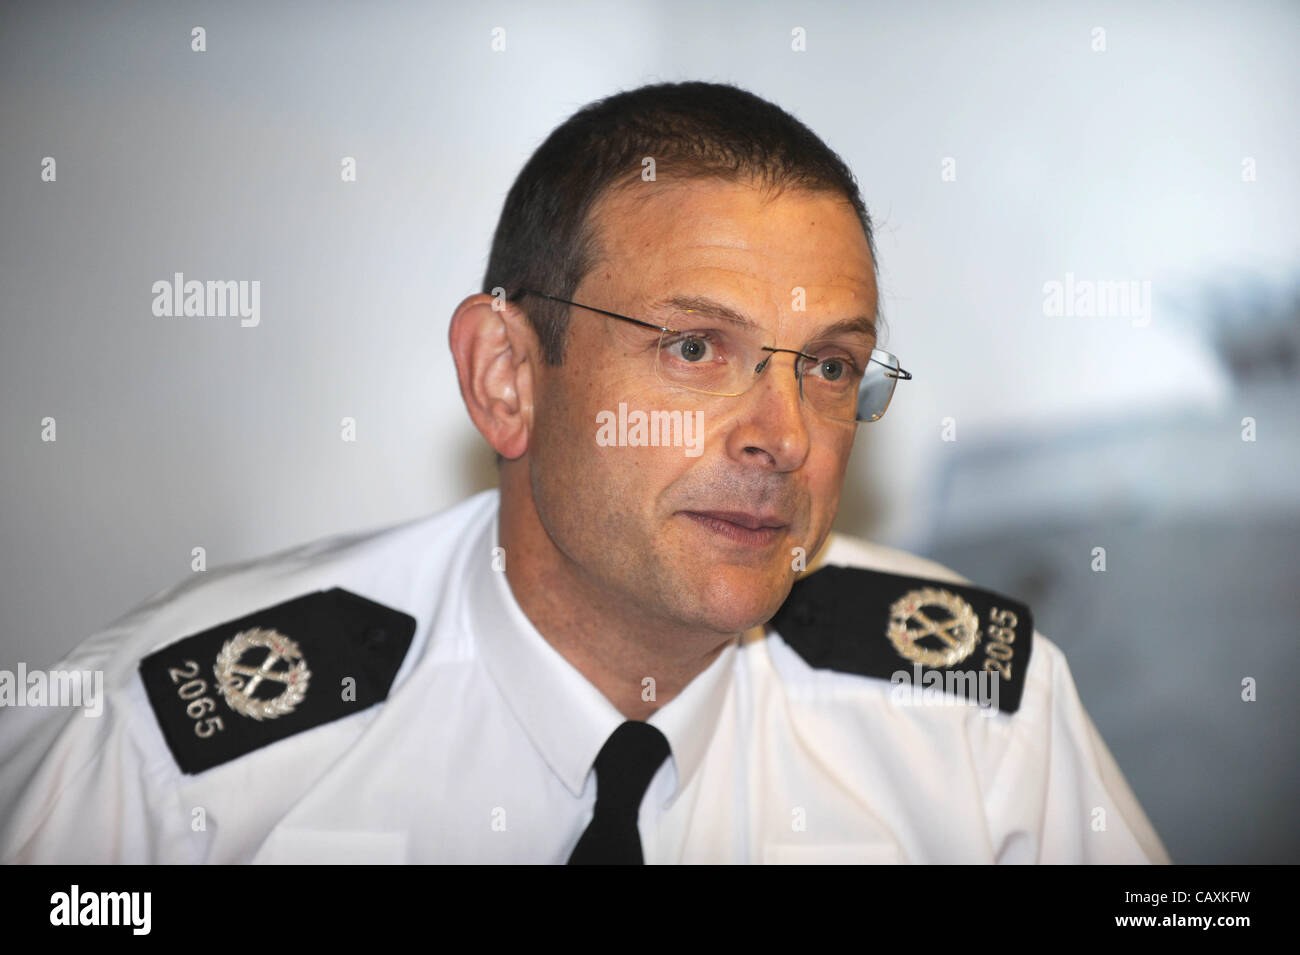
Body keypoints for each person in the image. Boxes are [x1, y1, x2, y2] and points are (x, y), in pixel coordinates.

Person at [0, 81, 1168, 864]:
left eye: (827, 365)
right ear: (507, 377)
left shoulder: (976, 721)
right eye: (694, 348)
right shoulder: (177, 745)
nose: (782, 436)